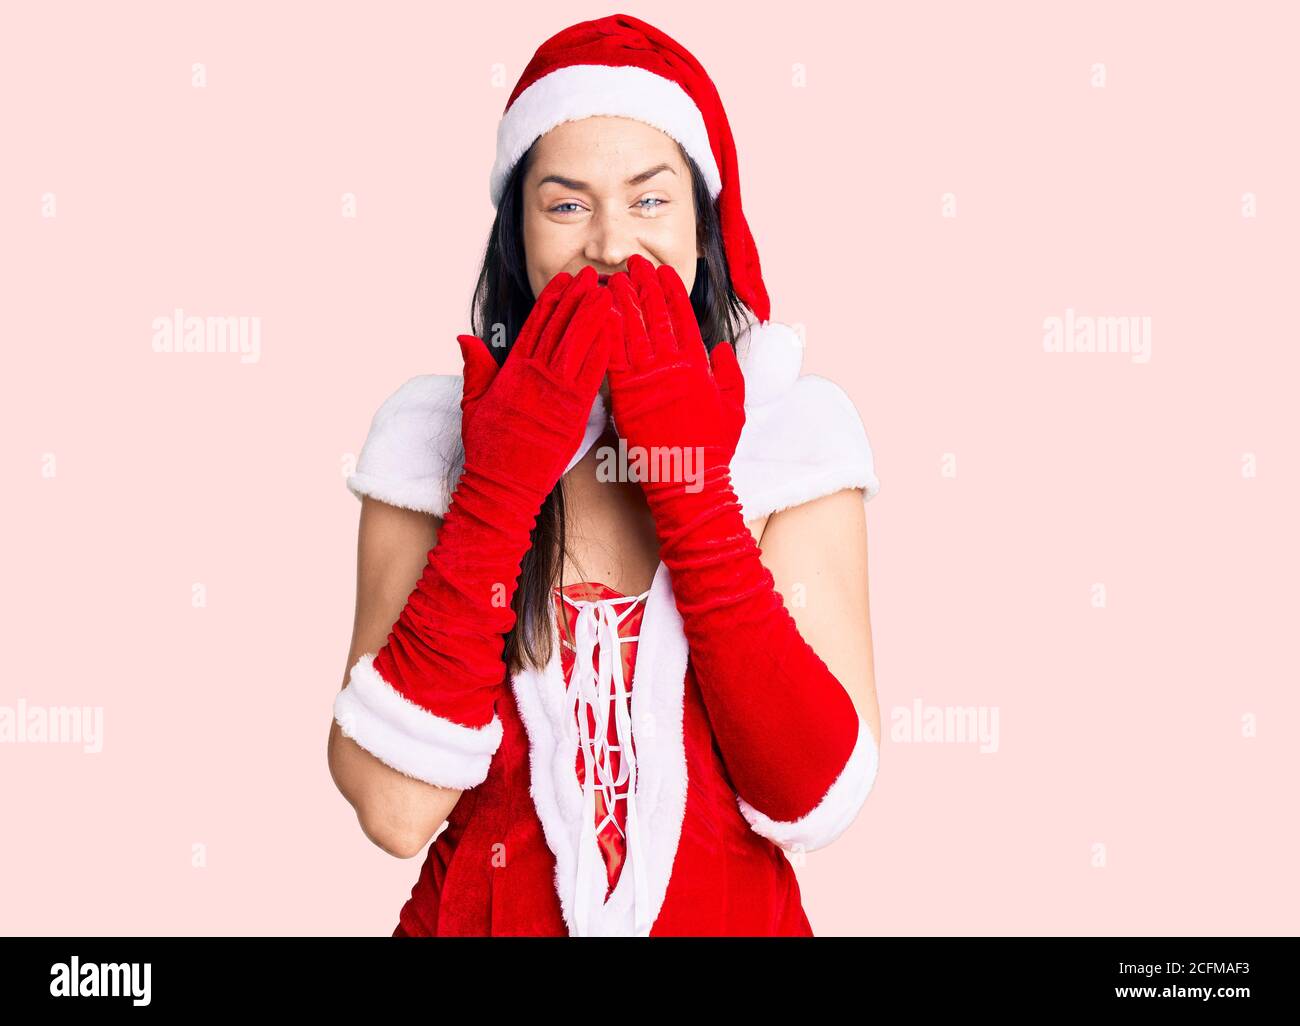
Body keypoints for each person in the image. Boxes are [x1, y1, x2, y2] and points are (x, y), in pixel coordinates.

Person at [327, 12, 882, 937]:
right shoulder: (427, 439)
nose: (613, 245)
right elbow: (393, 812)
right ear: (520, 235)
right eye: (567, 203)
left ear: (704, 228)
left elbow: (811, 802)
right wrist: (498, 487)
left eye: (651, 200)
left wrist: (694, 492)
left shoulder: (794, 431)